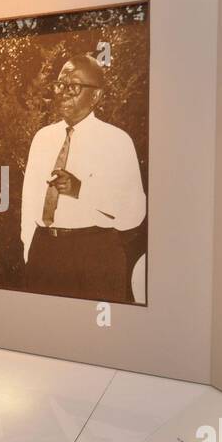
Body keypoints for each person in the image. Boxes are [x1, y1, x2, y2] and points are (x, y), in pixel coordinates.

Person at [21, 54, 146, 302]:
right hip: (45, 253)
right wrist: (29, 247)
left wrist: (82, 190)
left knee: (94, 338)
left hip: (95, 255)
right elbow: (29, 199)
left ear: (96, 95)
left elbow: (135, 212)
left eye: (74, 86)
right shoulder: (42, 138)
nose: (63, 92)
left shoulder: (117, 141)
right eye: (60, 84)